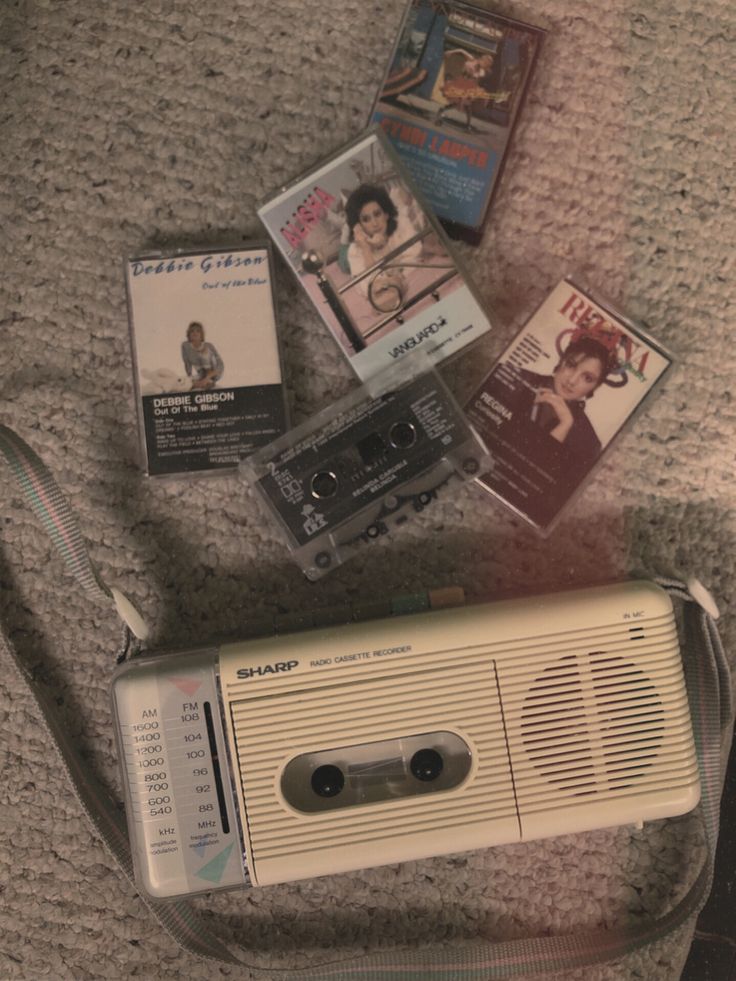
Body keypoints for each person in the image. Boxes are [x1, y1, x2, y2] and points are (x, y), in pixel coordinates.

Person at [344, 183, 423, 307]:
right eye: (366, 219)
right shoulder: (354, 251)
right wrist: (366, 249)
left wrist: (392, 279)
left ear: (386, 214)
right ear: (358, 225)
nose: (375, 223)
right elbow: (370, 288)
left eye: (377, 214)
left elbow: (415, 255)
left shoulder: (401, 225)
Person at [180, 322, 224, 390]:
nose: (195, 333)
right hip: (201, 374)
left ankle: (209, 382)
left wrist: (207, 378)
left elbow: (220, 365)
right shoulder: (185, 346)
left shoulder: (209, 346)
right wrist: (190, 379)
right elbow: (187, 363)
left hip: (213, 373)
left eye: (198, 331)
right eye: (192, 331)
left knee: (205, 353)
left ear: (201, 334)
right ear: (188, 334)